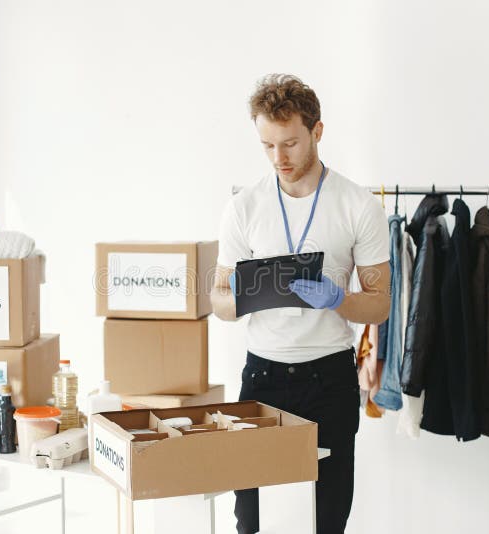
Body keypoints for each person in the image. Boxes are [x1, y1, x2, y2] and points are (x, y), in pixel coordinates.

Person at [211, 74, 391, 534]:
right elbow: (218, 300)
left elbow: (381, 305)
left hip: (328, 380)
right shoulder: (244, 207)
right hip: (262, 379)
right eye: (267, 146)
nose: (279, 158)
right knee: (251, 522)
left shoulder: (357, 205)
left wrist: (340, 300)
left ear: (317, 131)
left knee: (325, 521)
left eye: (289, 143)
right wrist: (245, 299)